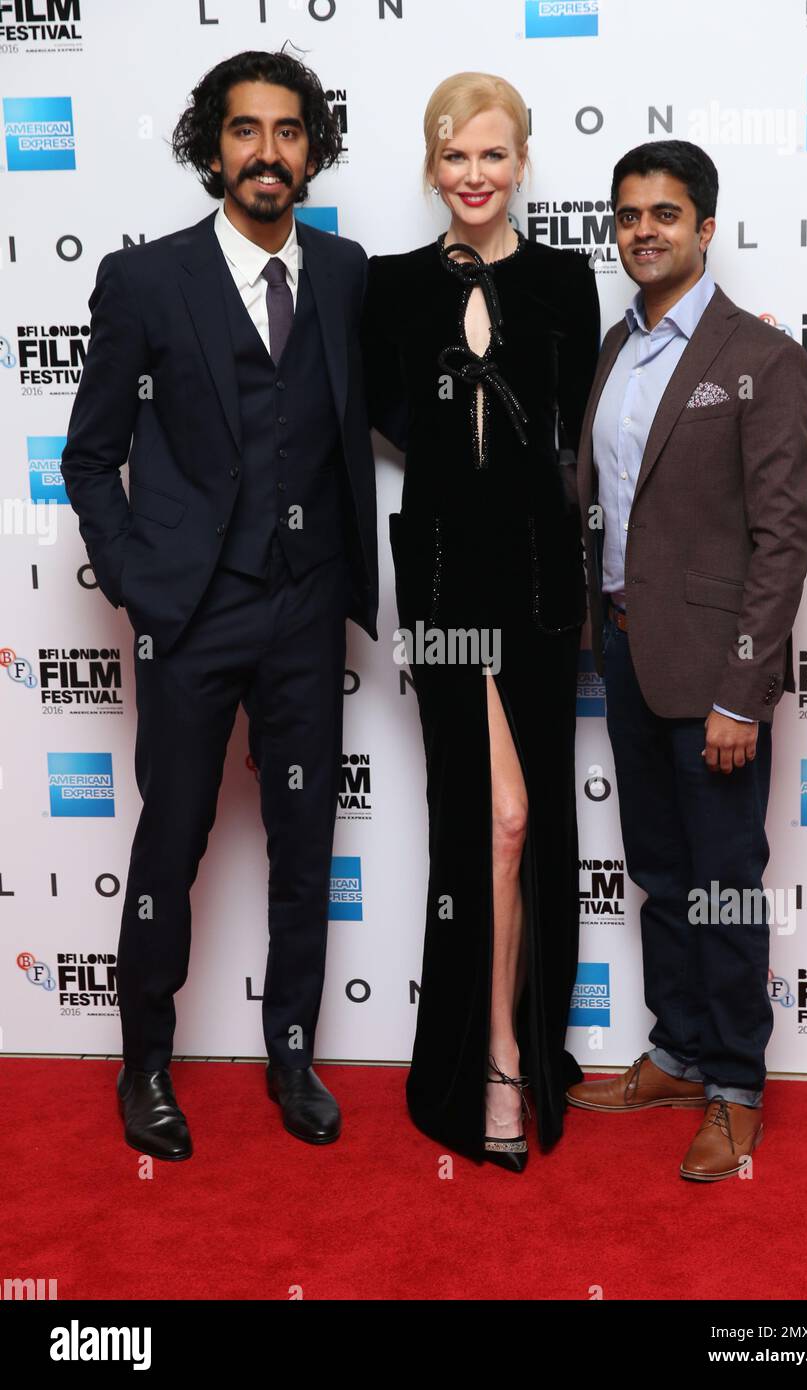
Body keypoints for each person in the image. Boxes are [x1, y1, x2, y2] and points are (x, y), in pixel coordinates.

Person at [60, 50, 378, 1160]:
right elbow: (89, 457)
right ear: (211, 150)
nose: (267, 153)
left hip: (306, 609)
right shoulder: (147, 280)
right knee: (171, 841)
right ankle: (145, 1064)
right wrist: (140, 583)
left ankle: (291, 1055)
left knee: (305, 840)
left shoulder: (344, 273)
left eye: (288, 131)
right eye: (245, 131)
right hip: (192, 617)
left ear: (311, 151)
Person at [363, 72, 600, 1170]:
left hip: (541, 582)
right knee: (486, 818)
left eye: (493, 155)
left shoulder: (563, 280)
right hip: (444, 579)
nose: (474, 174)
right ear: (431, 163)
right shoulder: (389, 285)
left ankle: (525, 1047)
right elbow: (390, 417)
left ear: (521, 163)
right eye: (454, 155)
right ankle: (485, 1055)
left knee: (532, 820)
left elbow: (572, 424)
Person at [569, 140, 807, 1180]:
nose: (643, 231)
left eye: (664, 214)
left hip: (716, 671)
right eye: (627, 215)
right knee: (661, 873)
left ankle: (734, 1087)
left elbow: (781, 538)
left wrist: (742, 693)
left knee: (723, 883)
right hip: (626, 654)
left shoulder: (760, 357)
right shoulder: (614, 350)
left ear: (704, 228)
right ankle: (676, 1053)